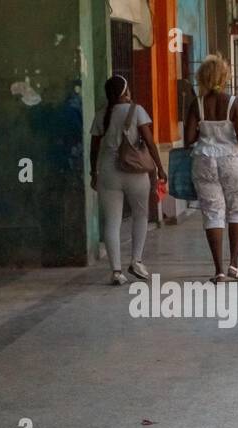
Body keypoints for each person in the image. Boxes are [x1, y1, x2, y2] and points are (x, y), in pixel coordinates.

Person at [184, 54, 238, 282]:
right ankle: (234, 265)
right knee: (237, 210)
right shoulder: (235, 103)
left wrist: (208, 133)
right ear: (224, 77)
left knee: (213, 213)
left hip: (204, 161)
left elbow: (188, 139)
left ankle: (219, 271)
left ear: (202, 77)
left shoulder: (197, 104)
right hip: (233, 161)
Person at [89, 75, 166, 285]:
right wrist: (160, 168)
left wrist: (92, 173)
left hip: (107, 173)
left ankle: (116, 271)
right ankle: (136, 261)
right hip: (135, 172)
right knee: (141, 215)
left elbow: (94, 147)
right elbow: (150, 142)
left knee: (112, 222)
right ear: (125, 90)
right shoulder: (136, 110)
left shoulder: (101, 114)